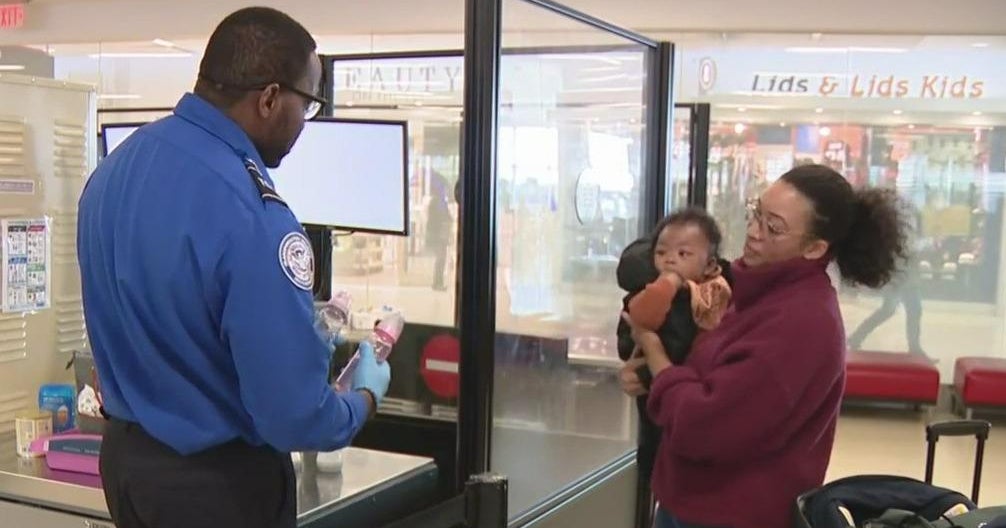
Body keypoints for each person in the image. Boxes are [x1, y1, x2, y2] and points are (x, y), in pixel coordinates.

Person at [77, 8, 391, 528]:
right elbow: (293, 416)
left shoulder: (113, 171)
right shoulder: (254, 215)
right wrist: (364, 399)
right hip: (216, 489)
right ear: (269, 98)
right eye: (307, 103)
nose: (303, 125)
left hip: (128, 468)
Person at [620, 164, 908, 528]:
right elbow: (705, 374)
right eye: (757, 213)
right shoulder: (751, 290)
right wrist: (650, 377)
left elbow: (703, 426)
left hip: (732, 514)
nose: (753, 232)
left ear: (815, 247)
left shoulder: (801, 322)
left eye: (773, 227)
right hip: (691, 501)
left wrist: (652, 347)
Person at [614, 207, 732, 522]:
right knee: (655, 454)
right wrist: (664, 287)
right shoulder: (645, 294)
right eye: (662, 252)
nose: (670, 260)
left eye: (683, 253)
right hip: (658, 401)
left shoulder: (717, 295)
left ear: (710, 265)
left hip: (691, 409)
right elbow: (634, 329)